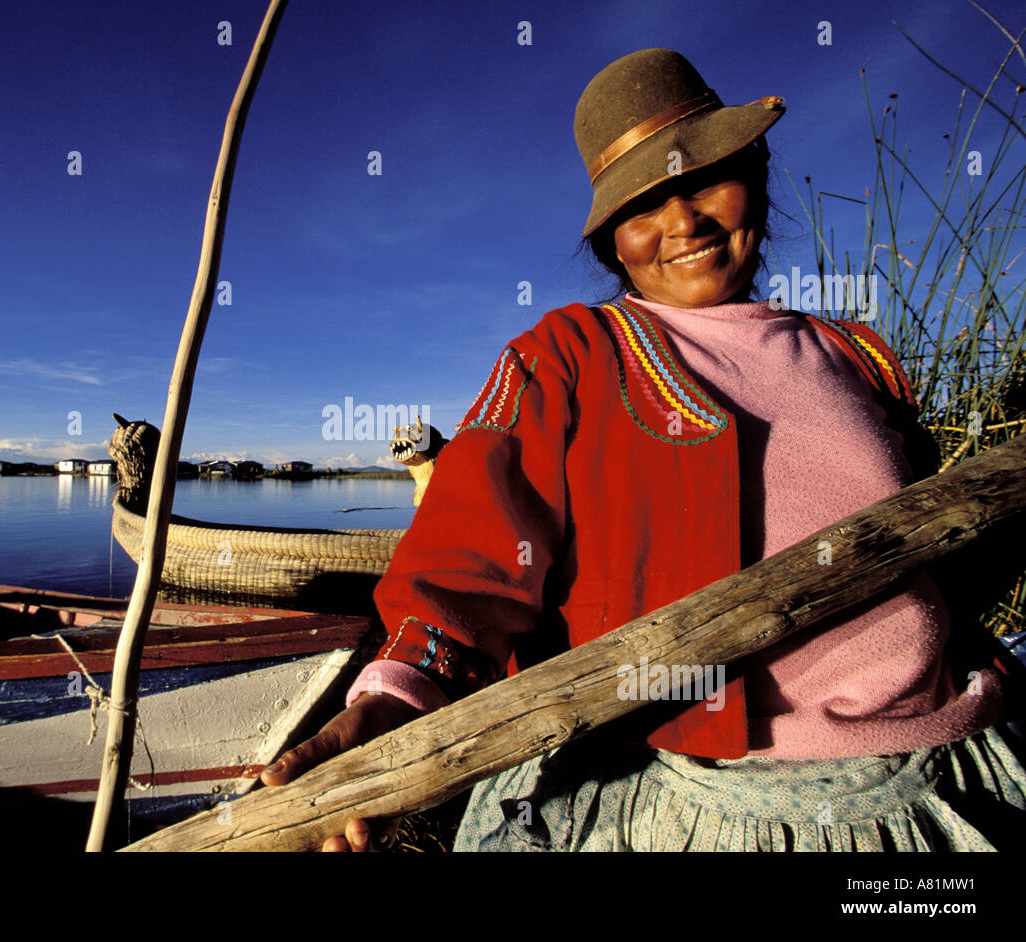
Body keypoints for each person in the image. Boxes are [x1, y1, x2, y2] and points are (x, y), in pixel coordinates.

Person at [261, 47, 1026, 851]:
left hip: (946, 767)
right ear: (613, 243)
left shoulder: (857, 357)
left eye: (704, 182)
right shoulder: (566, 359)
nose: (682, 224)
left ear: (756, 175)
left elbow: (937, 554)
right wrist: (394, 702)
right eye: (644, 206)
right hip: (698, 798)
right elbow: (466, 558)